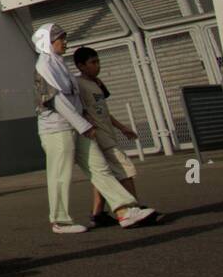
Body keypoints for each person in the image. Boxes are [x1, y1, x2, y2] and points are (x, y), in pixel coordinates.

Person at [33, 24, 156, 233]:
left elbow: (74, 98)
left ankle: (125, 211)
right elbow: (57, 100)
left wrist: (83, 122)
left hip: (77, 126)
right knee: (60, 174)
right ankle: (60, 221)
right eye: (60, 38)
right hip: (56, 129)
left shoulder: (60, 64)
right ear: (47, 41)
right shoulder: (44, 65)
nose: (65, 42)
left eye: (64, 37)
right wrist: (83, 125)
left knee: (99, 167)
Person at [74, 46, 141, 228]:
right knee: (125, 168)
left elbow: (104, 111)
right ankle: (134, 208)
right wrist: (89, 127)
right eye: (93, 62)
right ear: (81, 65)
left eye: (98, 61)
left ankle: (97, 215)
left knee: (103, 174)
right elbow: (80, 110)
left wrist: (122, 127)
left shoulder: (98, 83)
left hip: (107, 132)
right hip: (98, 134)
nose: (97, 66)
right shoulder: (78, 85)